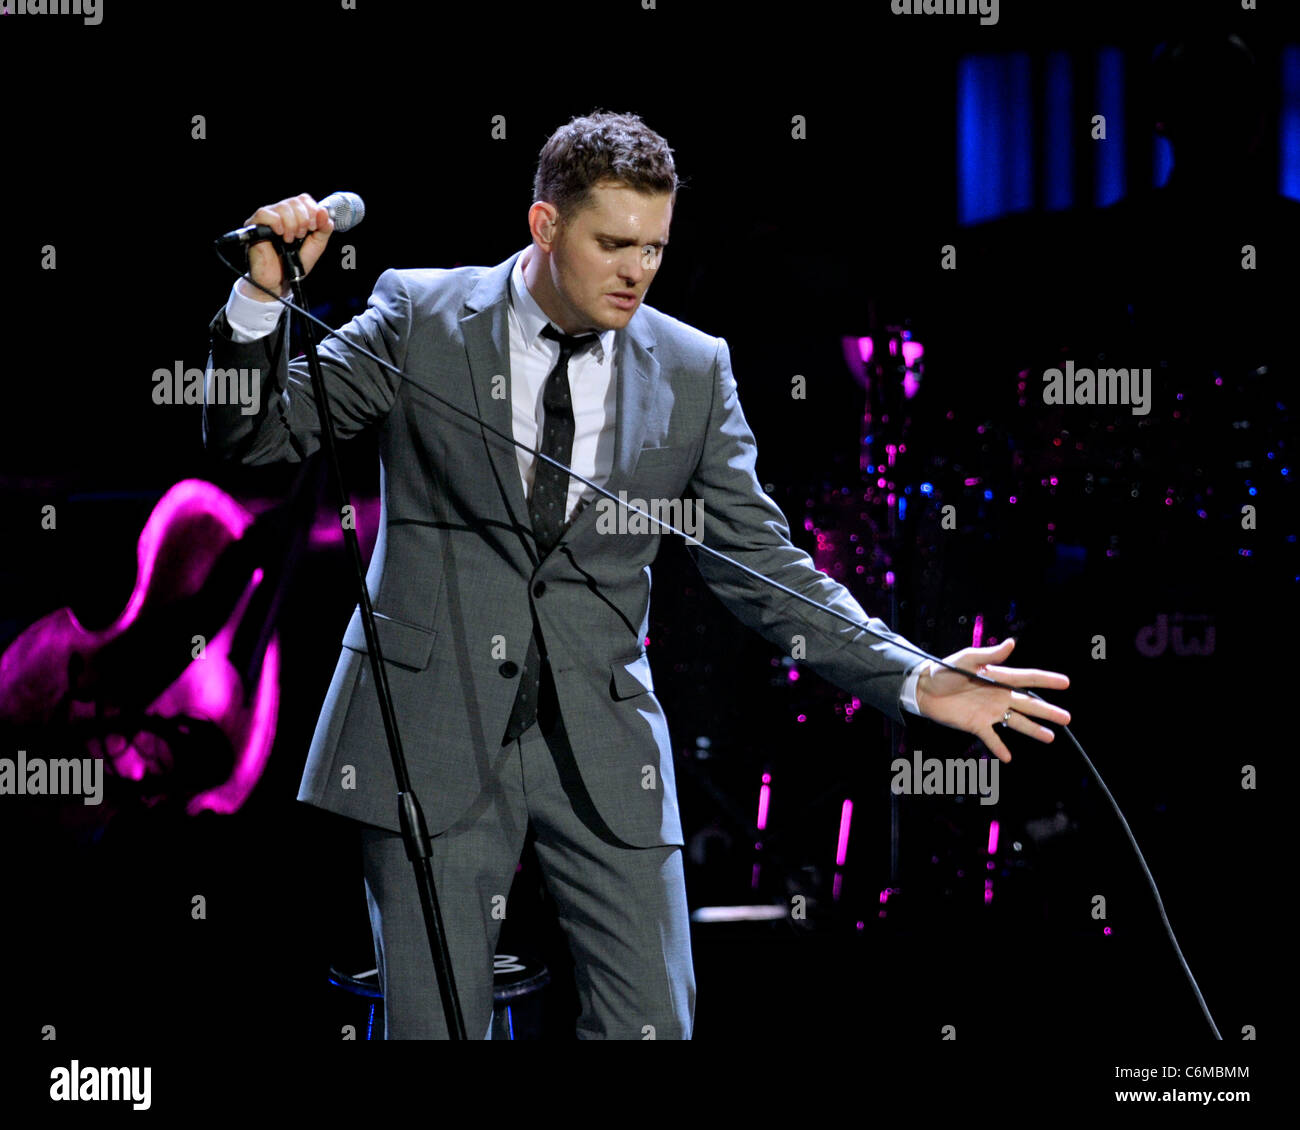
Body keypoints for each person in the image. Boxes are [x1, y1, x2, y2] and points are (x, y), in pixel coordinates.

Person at [203, 110, 1069, 1040]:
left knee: (652, 1021)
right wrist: (259, 304)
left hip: (607, 750)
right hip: (428, 731)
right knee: (434, 1028)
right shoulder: (421, 316)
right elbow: (255, 434)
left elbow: (763, 565)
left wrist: (910, 672)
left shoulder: (693, 369)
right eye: (613, 243)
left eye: (653, 248)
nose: (636, 271)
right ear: (544, 226)